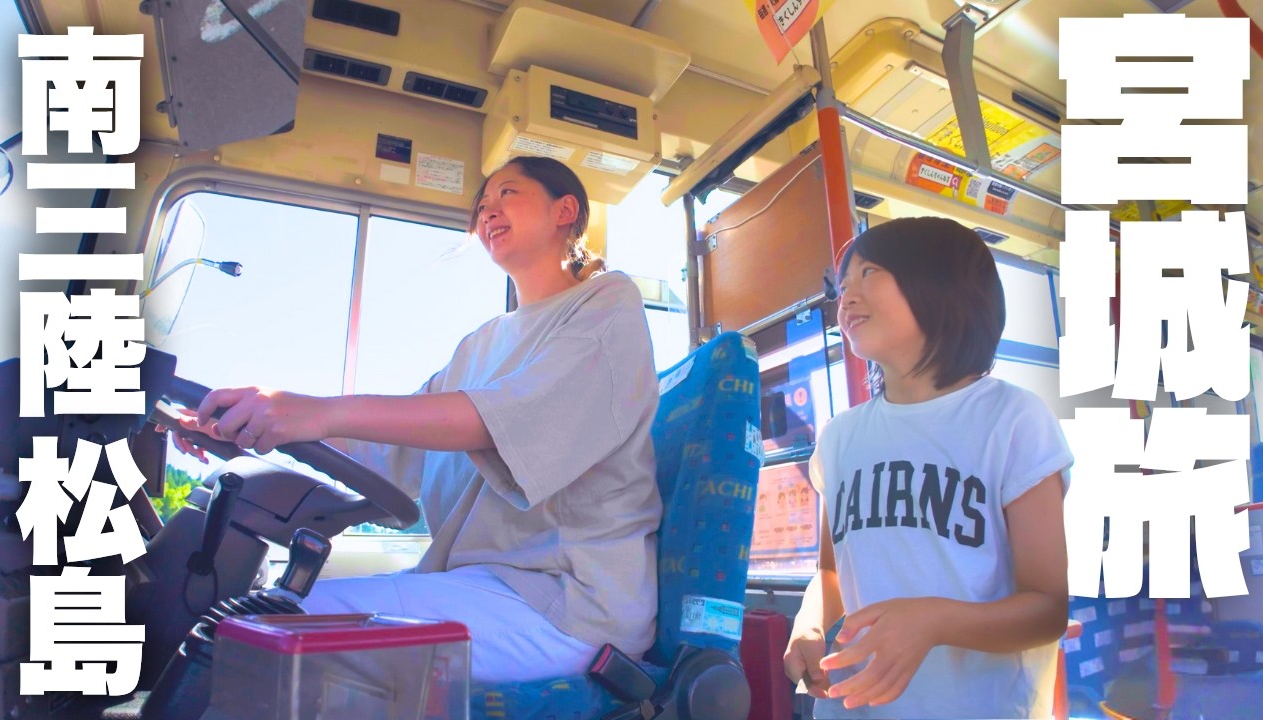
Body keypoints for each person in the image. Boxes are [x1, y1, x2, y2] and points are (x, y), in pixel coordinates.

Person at [175, 156, 662, 683]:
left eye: (507, 194)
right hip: (480, 584)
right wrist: (252, 430)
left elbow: (495, 419)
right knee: (264, 609)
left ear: (565, 209)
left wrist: (316, 410)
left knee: (269, 628)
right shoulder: (480, 345)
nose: (487, 211)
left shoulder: (608, 301)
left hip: (569, 602)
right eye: (481, 205)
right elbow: (389, 451)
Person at [782, 217, 1073, 719]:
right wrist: (809, 624)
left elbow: (1047, 607)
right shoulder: (839, 437)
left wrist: (934, 621)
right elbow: (832, 572)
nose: (845, 296)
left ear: (941, 284)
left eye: (869, 273)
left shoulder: (1012, 419)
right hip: (854, 707)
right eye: (842, 284)